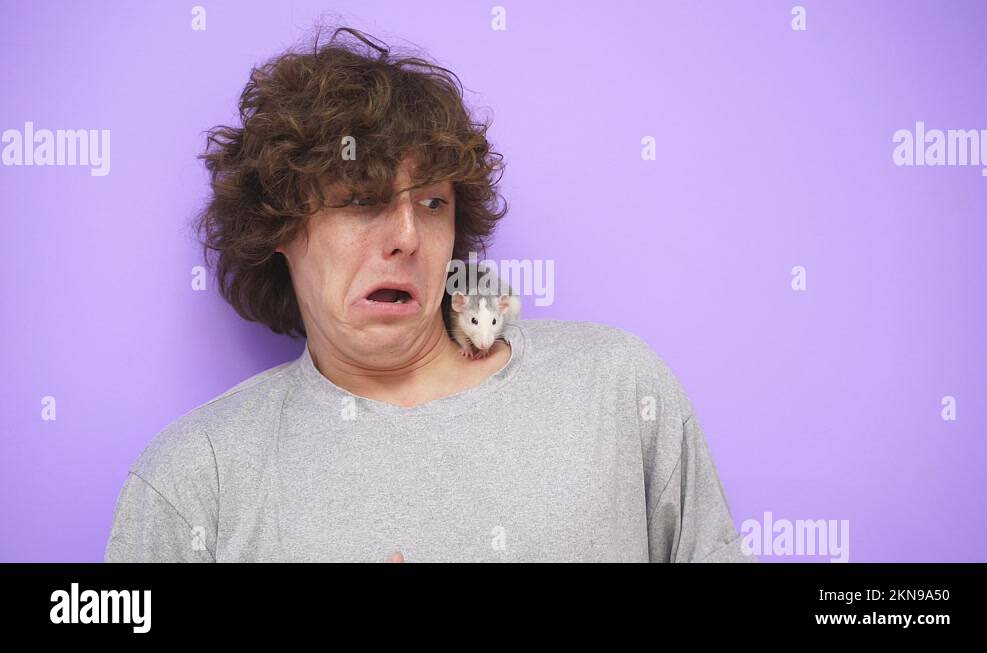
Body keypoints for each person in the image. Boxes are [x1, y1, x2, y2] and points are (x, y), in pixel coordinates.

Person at [104, 26, 754, 563]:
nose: (409, 236)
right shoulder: (193, 480)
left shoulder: (618, 388)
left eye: (434, 202)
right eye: (362, 200)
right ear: (279, 226)